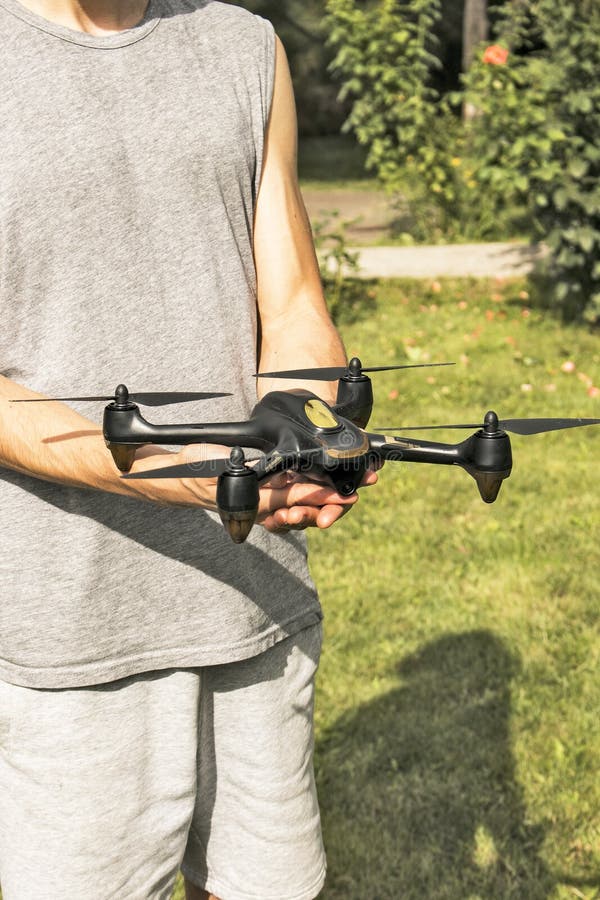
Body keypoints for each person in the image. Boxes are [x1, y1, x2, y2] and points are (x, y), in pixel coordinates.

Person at [0, 0, 376, 898]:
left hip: (255, 599)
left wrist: (300, 424)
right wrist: (185, 474)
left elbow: (289, 301)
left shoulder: (245, 45)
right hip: (68, 629)